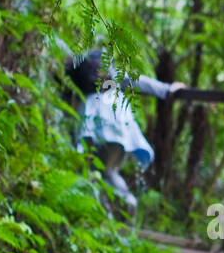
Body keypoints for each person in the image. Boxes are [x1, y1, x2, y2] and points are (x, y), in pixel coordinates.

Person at [64, 49, 184, 210]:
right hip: (116, 129)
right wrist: (167, 88)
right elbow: (138, 81)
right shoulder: (111, 80)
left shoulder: (80, 77)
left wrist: (166, 89)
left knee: (101, 171)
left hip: (97, 131)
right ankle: (115, 210)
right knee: (104, 171)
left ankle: (125, 206)